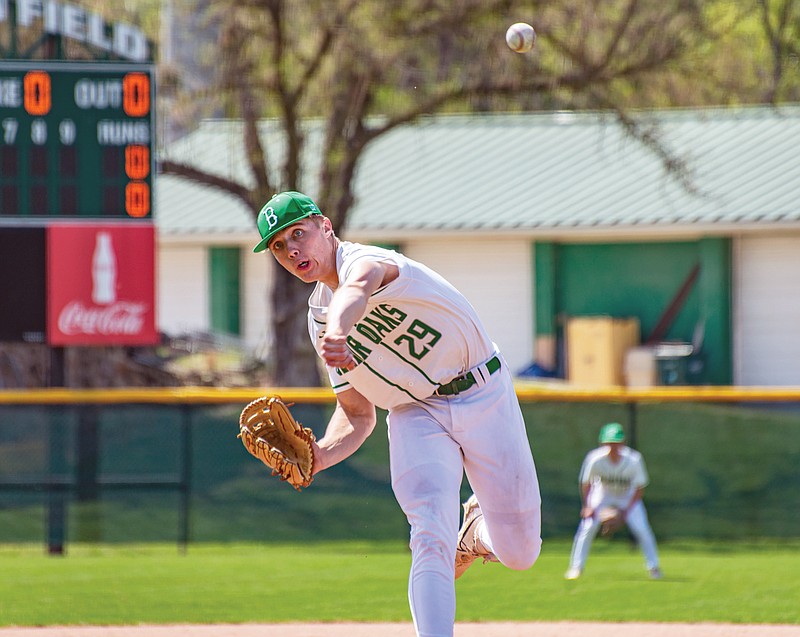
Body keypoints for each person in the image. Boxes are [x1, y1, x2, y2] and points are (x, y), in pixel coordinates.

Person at [253, 191, 542, 637]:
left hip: (482, 390)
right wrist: (321, 453)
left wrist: (338, 329)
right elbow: (357, 413)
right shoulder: (317, 321)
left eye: (298, 234)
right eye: (278, 245)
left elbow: (357, 289)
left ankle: (473, 535)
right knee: (429, 533)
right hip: (414, 413)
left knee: (521, 553)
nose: (291, 249)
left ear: (325, 226)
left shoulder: (366, 262)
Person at [565, 422, 662, 580]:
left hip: (628, 496)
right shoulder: (595, 458)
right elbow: (586, 483)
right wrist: (587, 506)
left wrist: (625, 511)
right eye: (610, 443)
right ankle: (576, 567)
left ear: (622, 443)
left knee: (642, 529)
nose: (613, 447)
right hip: (603, 493)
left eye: (616, 443)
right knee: (587, 527)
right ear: (603, 443)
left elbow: (639, 489)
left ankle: (654, 567)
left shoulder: (634, 459)